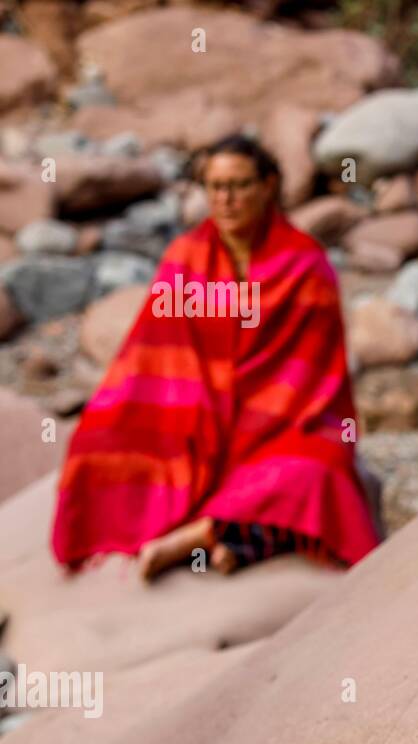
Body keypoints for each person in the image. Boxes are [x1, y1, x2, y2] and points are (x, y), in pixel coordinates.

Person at [50, 134, 382, 580]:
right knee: (95, 445)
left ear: (268, 186)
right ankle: (237, 542)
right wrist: (190, 412)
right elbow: (151, 357)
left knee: (320, 471)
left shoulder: (306, 264)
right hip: (197, 416)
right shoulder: (186, 257)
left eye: (239, 185)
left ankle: (202, 534)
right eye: (215, 187)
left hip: (277, 424)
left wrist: (250, 418)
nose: (225, 200)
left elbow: (316, 376)